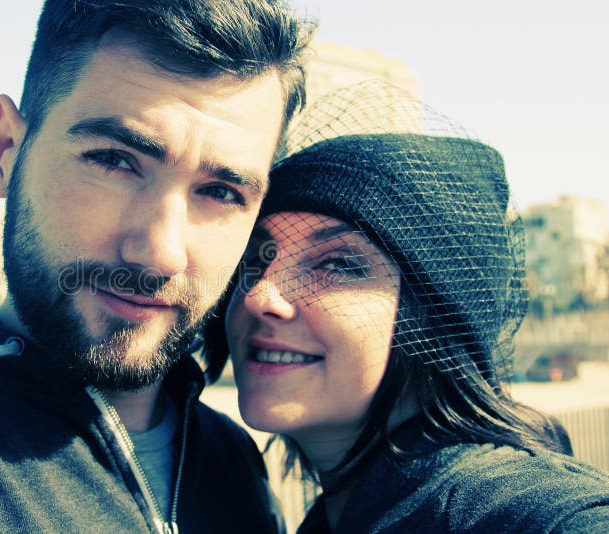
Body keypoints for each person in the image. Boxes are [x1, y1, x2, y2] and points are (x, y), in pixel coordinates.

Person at [0, 1, 314, 532]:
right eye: (113, 160)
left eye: (222, 192)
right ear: (3, 150)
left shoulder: (234, 465)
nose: (160, 253)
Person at [206, 86, 609, 532]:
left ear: (434, 318)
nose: (258, 296)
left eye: (338, 265)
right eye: (256, 259)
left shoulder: (522, 511)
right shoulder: (327, 515)